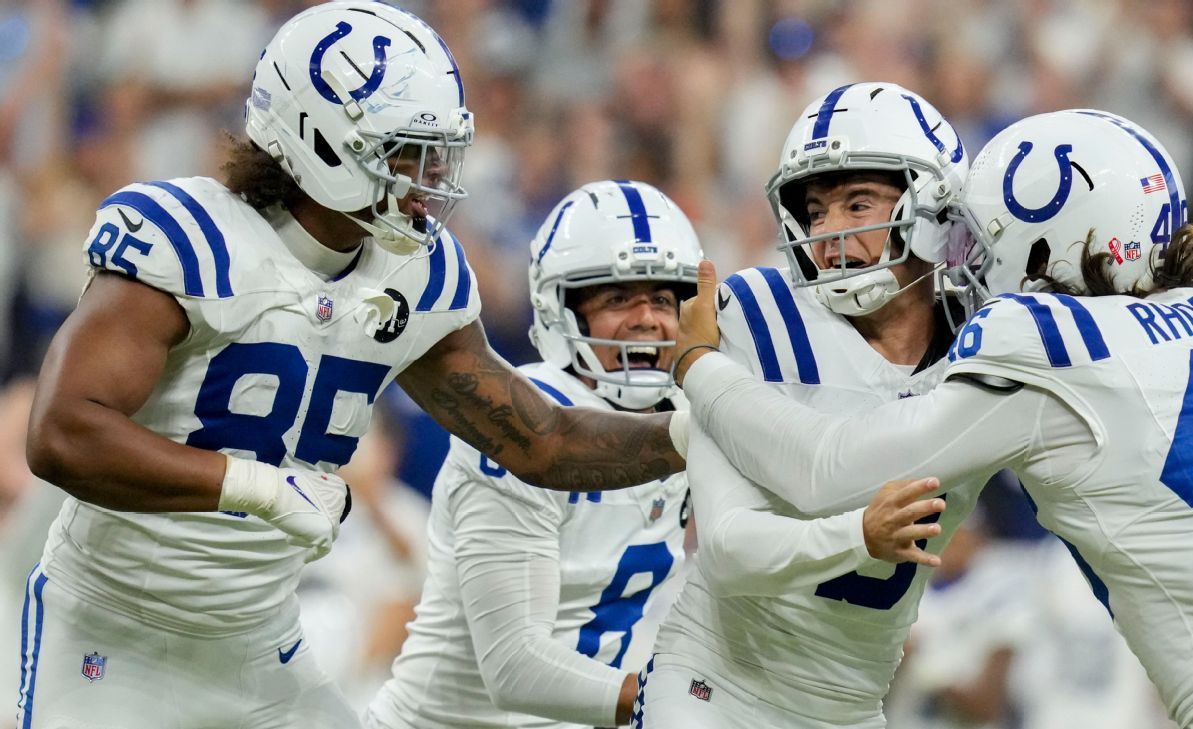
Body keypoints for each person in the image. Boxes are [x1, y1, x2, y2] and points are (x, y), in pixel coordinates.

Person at [18, 5, 685, 729]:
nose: (429, 178)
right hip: (114, 636)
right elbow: (62, 433)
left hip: (258, 646)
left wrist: (693, 437)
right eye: (404, 152)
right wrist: (257, 487)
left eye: (437, 153)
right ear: (319, 141)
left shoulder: (415, 274)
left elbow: (542, 440)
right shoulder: (194, 240)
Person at [672, 109, 1193, 729]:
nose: (969, 261)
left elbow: (826, 471)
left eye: (985, 239)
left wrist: (698, 366)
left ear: (1055, 239)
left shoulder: (1040, 340)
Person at [634, 82, 971, 728]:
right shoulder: (757, 316)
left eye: (858, 203)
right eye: (815, 211)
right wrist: (859, 534)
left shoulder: (982, 350)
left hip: (850, 706)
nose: (830, 234)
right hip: (717, 691)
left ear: (934, 207)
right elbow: (729, 550)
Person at [368, 179, 699, 729]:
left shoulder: (690, 412)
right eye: (618, 297)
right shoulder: (523, 420)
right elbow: (515, 668)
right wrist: (685, 700)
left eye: (663, 297)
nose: (647, 318)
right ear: (559, 310)